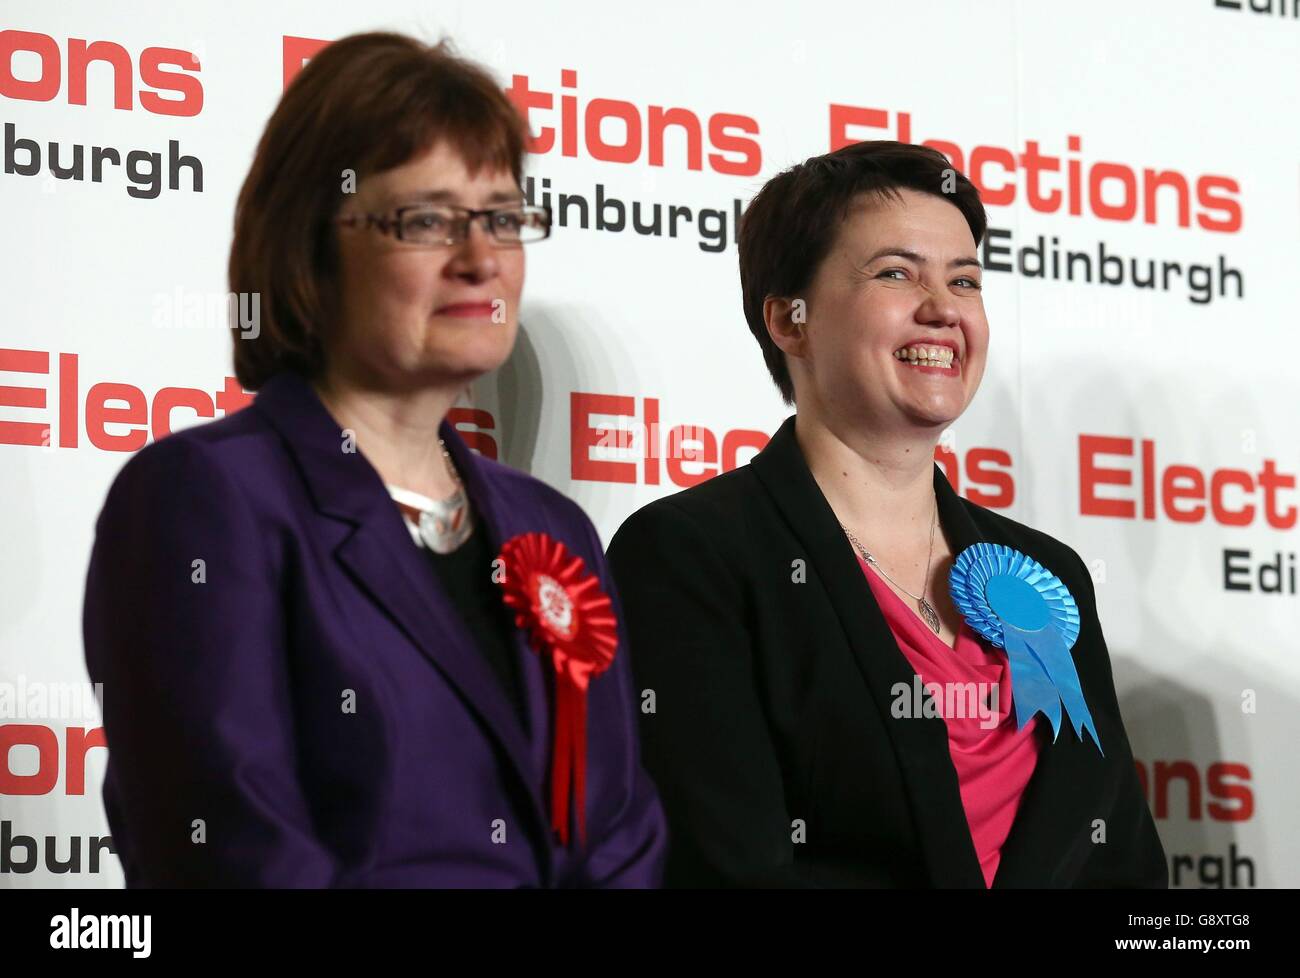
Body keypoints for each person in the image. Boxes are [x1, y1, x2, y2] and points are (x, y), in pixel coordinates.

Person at [82, 31, 665, 887]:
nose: (481, 259)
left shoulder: (554, 528)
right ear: (309, 248)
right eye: (426, 219)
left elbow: (620, 839)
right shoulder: (205, 498)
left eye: (503, 218)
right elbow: (234, 847)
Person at [606, 140, 1166, 888]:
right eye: (896, 273)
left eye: (965, 281)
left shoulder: (1044, 572)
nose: (942, 309)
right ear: (790, 320)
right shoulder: (692, 554)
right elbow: (726, 867)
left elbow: (1124, 863)